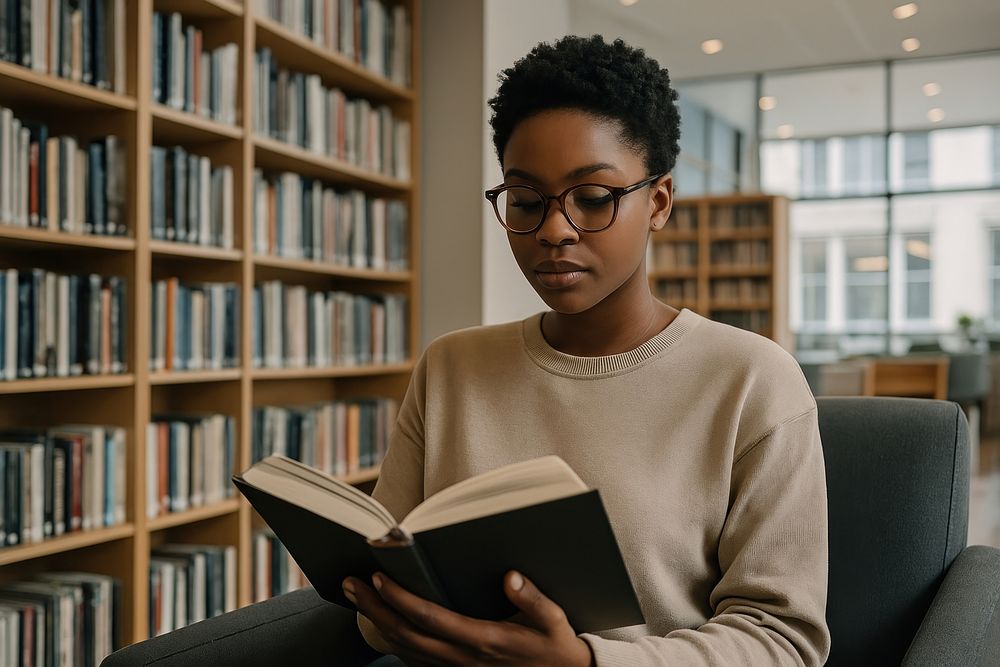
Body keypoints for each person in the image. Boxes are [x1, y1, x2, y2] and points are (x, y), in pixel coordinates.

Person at [342, 35, 831, 666]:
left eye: (593, 199)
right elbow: (386, 590)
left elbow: (783, 641)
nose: (553, 230)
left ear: (658, 202)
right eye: (524, 201)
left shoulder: (752, 380)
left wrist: (586, 664)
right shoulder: (451, 368)